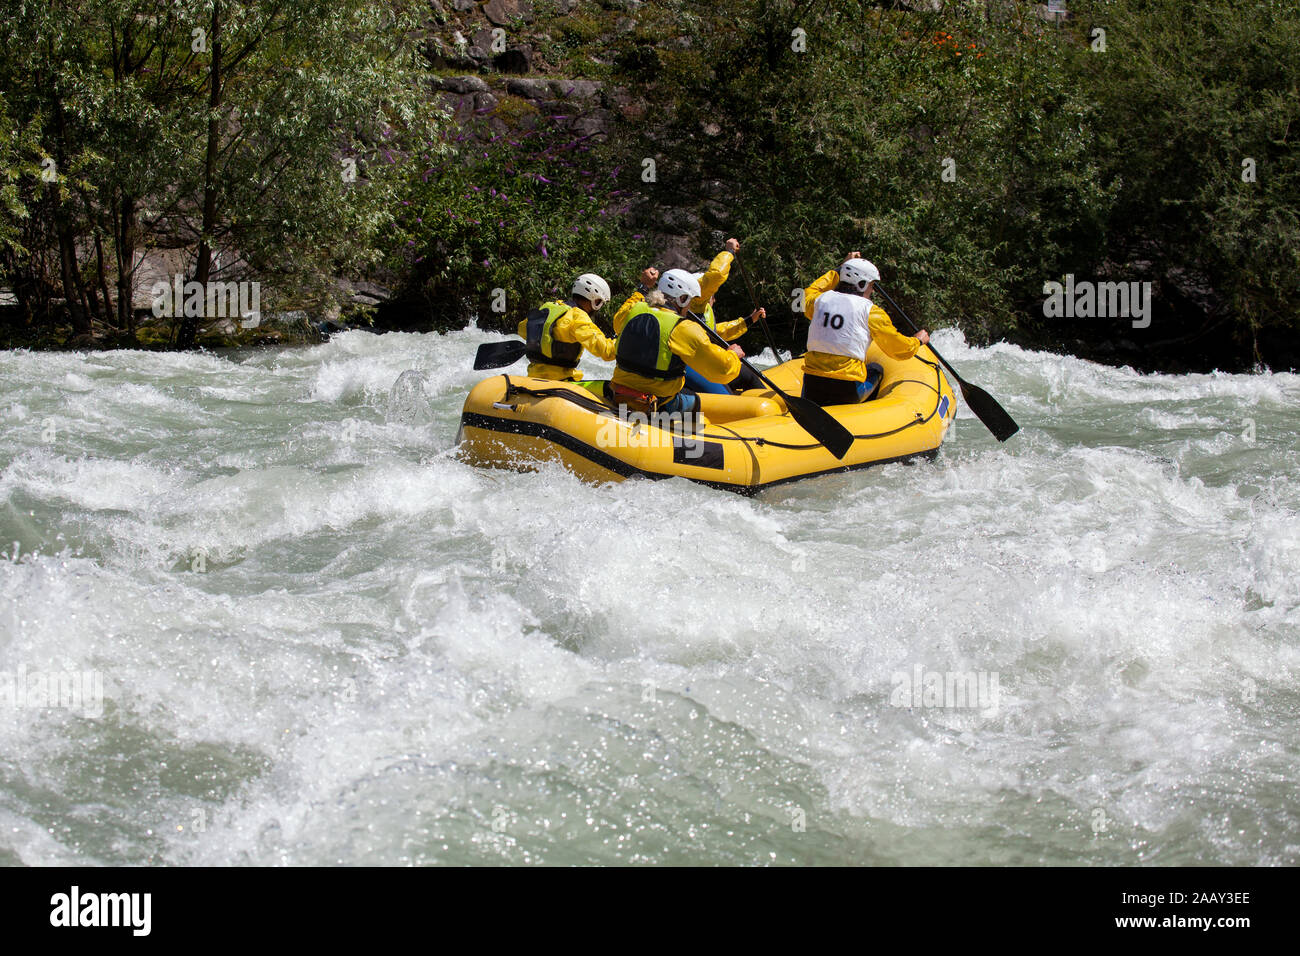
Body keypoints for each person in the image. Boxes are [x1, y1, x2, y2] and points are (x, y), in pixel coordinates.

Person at [607, 269, 744, 417]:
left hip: (619, 391)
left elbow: (617, 322)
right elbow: (722, 371)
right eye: (689, 300)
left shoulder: (632, 310)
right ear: (682, 299)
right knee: (695, 400)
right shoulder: (684, 328)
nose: (689, 306)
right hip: (659, 403)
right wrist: (733, 355)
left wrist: (643, 287)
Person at [800, 253, 930, 406]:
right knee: (875, 370)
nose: (873, 291)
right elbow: (898, 349)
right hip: (846, 391)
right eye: (872, 285)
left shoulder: (818, 302)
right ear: (862, 284)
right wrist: (918, 341)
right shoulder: (872, 312)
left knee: (817, 381)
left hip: (812, 387)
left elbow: (810, 291)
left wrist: (838, 269)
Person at [517, 273, 616, 382]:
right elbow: (607, 352)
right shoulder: (577, 316)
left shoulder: (548, 307)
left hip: (533, 378)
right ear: (595, 300)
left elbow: (522, 330)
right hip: (561, 382)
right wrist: (625, 340)